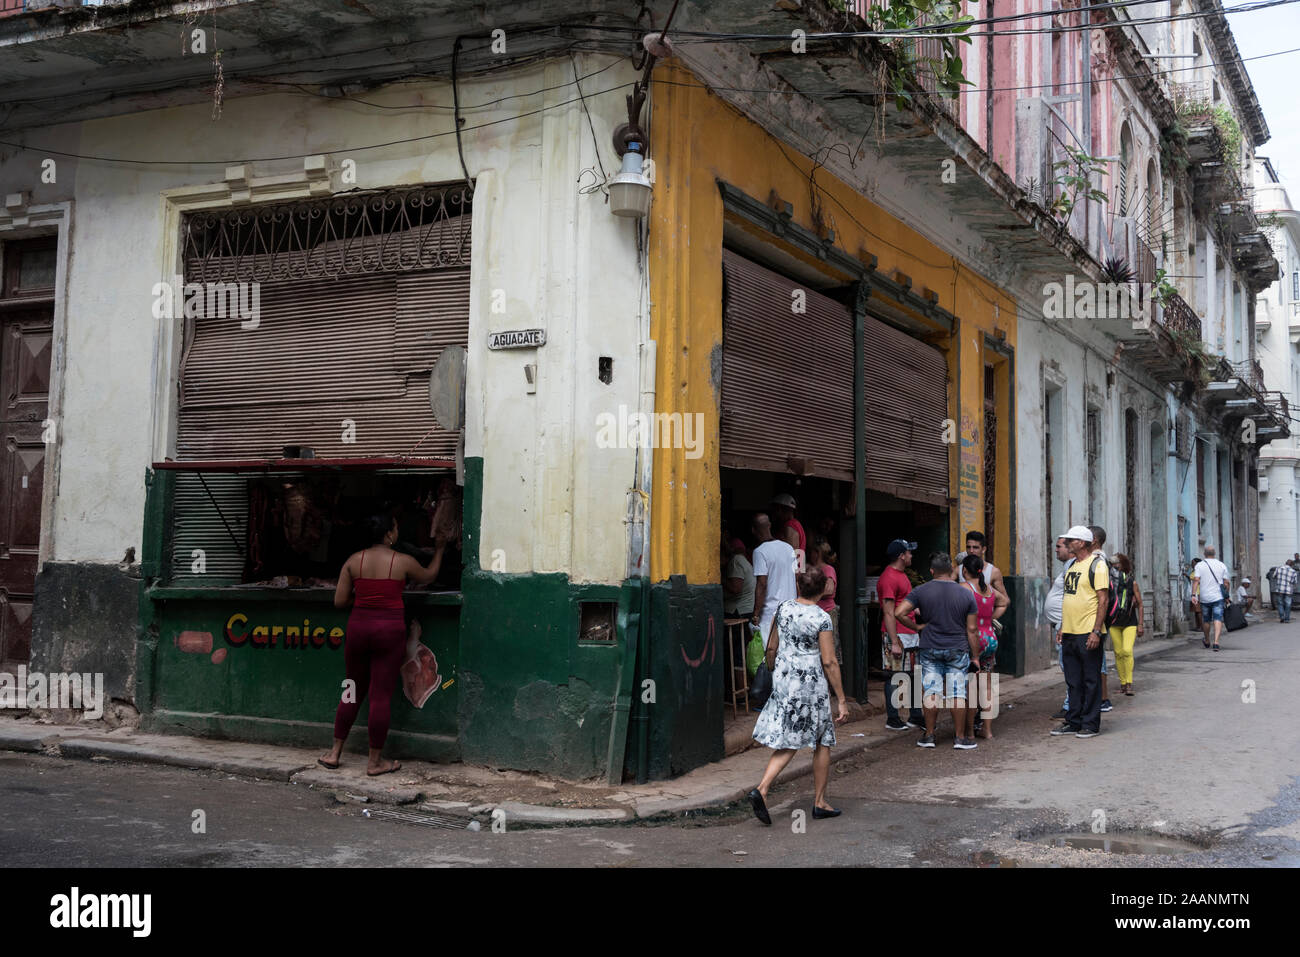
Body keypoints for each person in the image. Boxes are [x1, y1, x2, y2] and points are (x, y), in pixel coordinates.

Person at [320, 513, 447, 775]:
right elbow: (429, 576)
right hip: (388, 631)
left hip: (358, 629)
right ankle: (375, 762)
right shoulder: (402, 561)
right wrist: (440, 550)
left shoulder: (354, 561)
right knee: (380, 696)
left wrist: (365, 598)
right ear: (389, 534)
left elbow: (339, 601)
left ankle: (334, 753)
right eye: (396, 527)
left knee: (351, 689)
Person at [747, 567, 851, 825]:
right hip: (810, 687)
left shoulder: (782, 608)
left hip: (784, 681)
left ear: (800, 587)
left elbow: (771, 646)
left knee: (789, 739)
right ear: (822, 590)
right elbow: (829, 662)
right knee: (822, 740)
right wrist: (842, 698)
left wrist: (776, 673)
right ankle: (819, 802)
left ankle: (763, 788)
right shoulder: (821, 617)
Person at [893, 553, 980, 750]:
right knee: (958, 692)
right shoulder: (966, 594)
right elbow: (972, 630)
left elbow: (899, 612)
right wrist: (975, 656)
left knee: (931, 691)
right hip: (957, 648)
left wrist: (916, 627)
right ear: (951, 570)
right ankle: (960, 738)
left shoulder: (920, 591)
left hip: (930, 647)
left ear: (931, 571)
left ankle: (929, 735)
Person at [1053, 526, 1108, 738]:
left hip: (1088, 631)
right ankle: (1073, 721)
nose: (1067, 543)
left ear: (1083, 543)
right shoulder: (1072, 565)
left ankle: (1090, 723)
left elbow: (1103, 599)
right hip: (1070, 632)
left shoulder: (1097, 565)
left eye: (1072, 540)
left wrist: (1096, 631)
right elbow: (1070, 599)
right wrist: (1063, 627)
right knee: (1073, 679)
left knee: (1090, 679)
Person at [960, 553, 1007, 740]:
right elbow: (1005, 601)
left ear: (964, 570)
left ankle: (970, 732)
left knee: (972, 688)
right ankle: (987, 730)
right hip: (990, 638)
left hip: (974, 642)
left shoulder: (964, 588)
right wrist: (990, 618)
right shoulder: (987, 588)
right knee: (987, 687)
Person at [879, 538, 924, 731]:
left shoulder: (901, 575)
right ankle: (893, 718)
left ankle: (915, 715)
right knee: (894, 676)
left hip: (909, 632)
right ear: (901, 556)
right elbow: (889, 612)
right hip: (897, 634)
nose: (911, 556)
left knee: (913, 676)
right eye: (909, 553)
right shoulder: (889, 578)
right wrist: (894, 641)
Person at [750, 513, 797, 646]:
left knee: (770, 655)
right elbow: (796, 579)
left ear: (753, 530)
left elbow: (762, 583)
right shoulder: (788, 548)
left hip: (770, 614)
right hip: (791, 611)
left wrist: (755, 614)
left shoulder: (759, 552)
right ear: (770, 525)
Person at [1046, 537, 1076, 720]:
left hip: (1066, 626)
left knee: (1069, 668)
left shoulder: (1072, 566)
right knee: (1068, 667)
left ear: (1070, 548)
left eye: (1059, 547)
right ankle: (1071, 704)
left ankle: (1071, 706)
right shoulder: (1068, 566)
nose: (1056, 550)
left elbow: (1071, 598)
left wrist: (1064, 624)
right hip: (1062, 625)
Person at [1107, 553, 1143, 696]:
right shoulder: (1110, 583)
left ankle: (1129, 683)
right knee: (1118, 653)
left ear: (1123, 565)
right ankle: (1122, 683)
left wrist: (1140, 624)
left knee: (1127, 651)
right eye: (1113, 565)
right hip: (1115, 621)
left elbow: (1140, 605)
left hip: (1129, 622)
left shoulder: (1131, 582)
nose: (1115, 567)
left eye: (1117, 564)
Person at [1087, 526, 1114, 712]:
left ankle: (1102, 699)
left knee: (1097, 660)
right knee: (1098, 659)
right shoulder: (1100, 559)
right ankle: (1102, 698)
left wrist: (1097, 626)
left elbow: (1102, 597)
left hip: (1095, 619)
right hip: (1098, 618)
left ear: (1094, 539)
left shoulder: (1097, 561)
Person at [1191, 545, 1231, 650]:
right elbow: (1226, 582)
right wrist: (1227, 595)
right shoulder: (1222, 565)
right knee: (1218, 618)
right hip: (1218, 597)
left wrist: (1193, 595)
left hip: (1204, 597)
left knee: (1206, 620)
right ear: (1215, 554)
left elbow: (1196, 580)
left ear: (1204, 554)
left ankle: (1207, 639)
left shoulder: (1199, 565)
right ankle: (1216, 642)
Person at [806, 536, 840, 662]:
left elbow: (829, 589)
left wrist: (811, 597)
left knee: (828, 649)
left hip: (827, 612)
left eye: (811, 552)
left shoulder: (828, 569)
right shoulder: (810, 568)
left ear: (817, 553)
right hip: (812, 613)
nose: (810, 555)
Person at [956, 530, 1009, 603]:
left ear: (983, 549)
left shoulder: (993, 571)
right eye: (968, 547)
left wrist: (991, 614)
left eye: (975, 547)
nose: (971, 551)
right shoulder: (959, 569)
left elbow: (1005, 600)